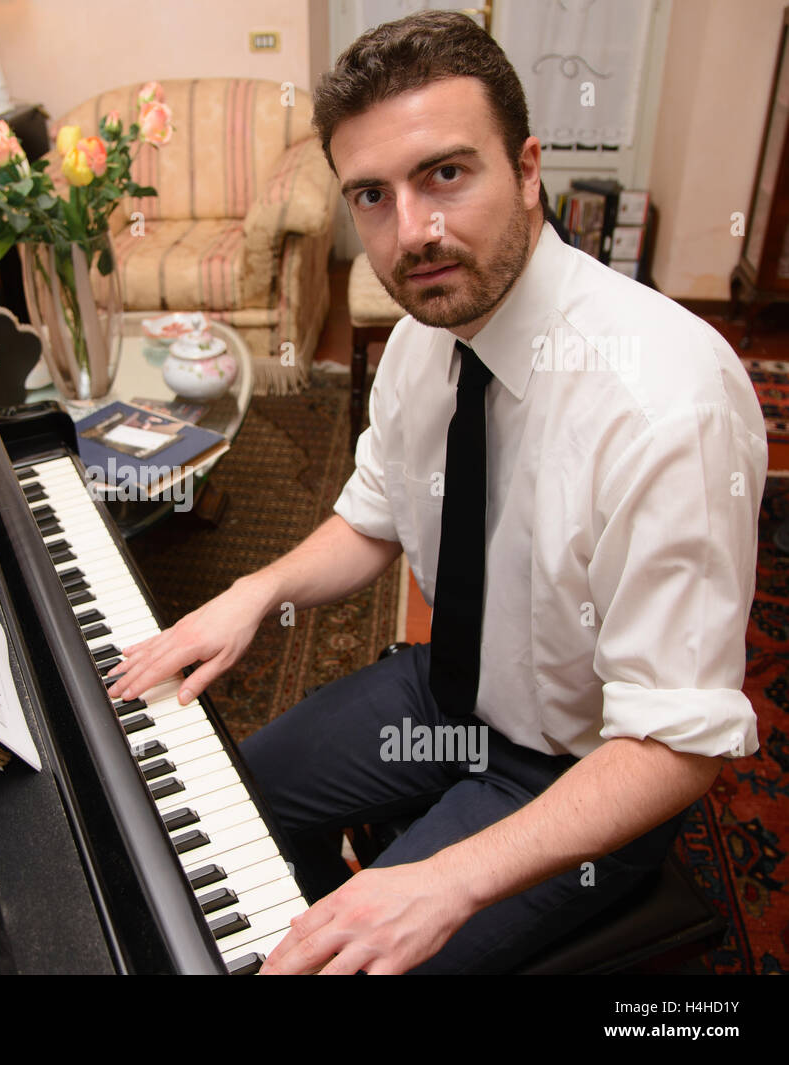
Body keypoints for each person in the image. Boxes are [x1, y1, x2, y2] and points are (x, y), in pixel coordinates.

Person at [107, 10, 768, 975]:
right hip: (449, 691)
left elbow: (679, 744)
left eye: (446, 175)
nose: (412, 231)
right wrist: (258, 591)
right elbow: (374, 517)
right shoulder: (426, 337)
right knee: (224, 803)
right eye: (372, 195)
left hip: (580, 765)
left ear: (529, 168)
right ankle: (313, 910)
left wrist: (444, 881)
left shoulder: (668, 404)